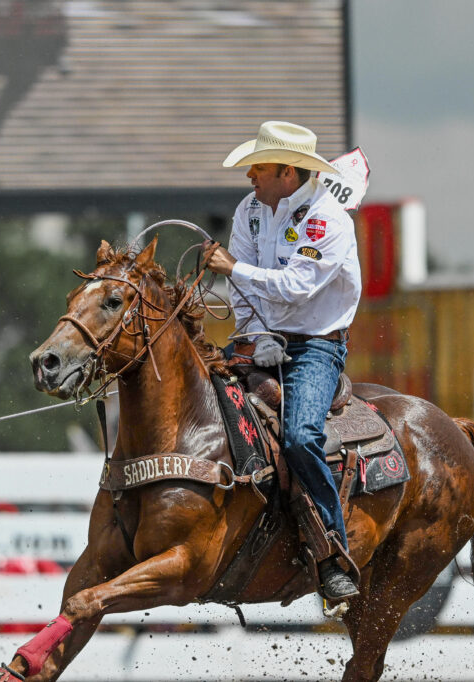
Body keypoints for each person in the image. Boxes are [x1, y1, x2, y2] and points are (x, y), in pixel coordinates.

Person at [203, 120, 361, 601]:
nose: (250, 175)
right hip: (262, 335)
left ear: (287, 173)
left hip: (317, 344)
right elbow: (242, 287)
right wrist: (254, 335)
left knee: (299, 436)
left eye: (259, 167)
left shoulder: (327, 218)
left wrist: (233, 266)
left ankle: (333, 549)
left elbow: (296, 286)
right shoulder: (250, 209)